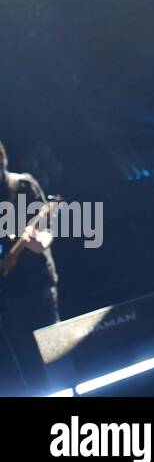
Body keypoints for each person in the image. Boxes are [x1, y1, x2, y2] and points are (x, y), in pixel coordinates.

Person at [0, 139, 60, 393]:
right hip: (8, 295)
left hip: (38, 287)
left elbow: (47, 233)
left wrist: (36, 239)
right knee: (24, 365)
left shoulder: (22, 186)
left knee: (54, 357)